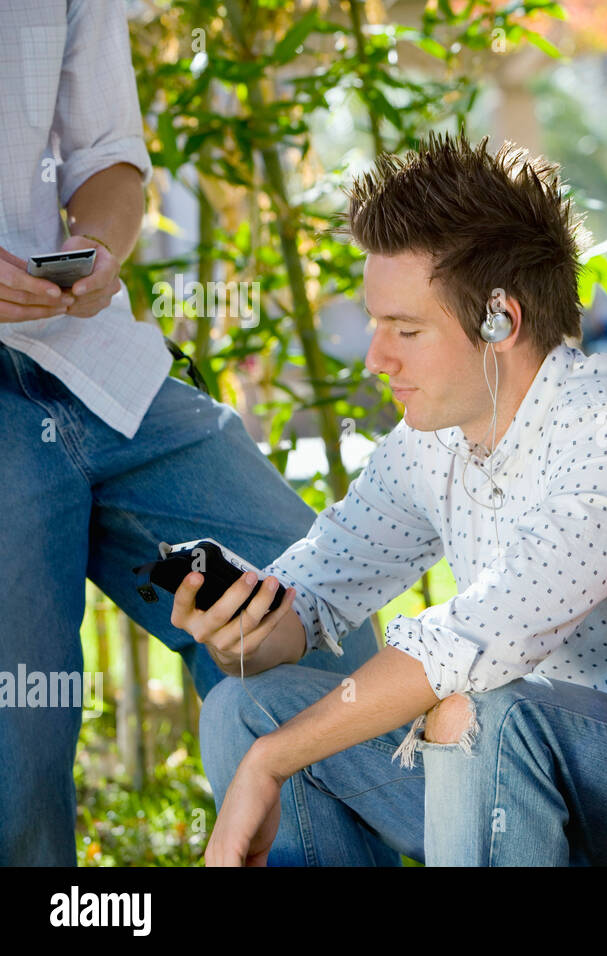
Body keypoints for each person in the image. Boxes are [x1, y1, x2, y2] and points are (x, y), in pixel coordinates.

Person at [189, 134, 607, 866]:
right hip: (494, 779)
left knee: (483, 710)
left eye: (406, 330)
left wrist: (274, 760)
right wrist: (244, 628)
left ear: (501, 320)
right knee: (243, 708)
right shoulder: (432, 442)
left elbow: (482, 636)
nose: (378, 359)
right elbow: (312, 595)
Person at [0, 0, 375, 866]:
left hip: (94, 357)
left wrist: (98, 243)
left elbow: (109, 159)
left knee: (312, 611)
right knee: (16, 757)